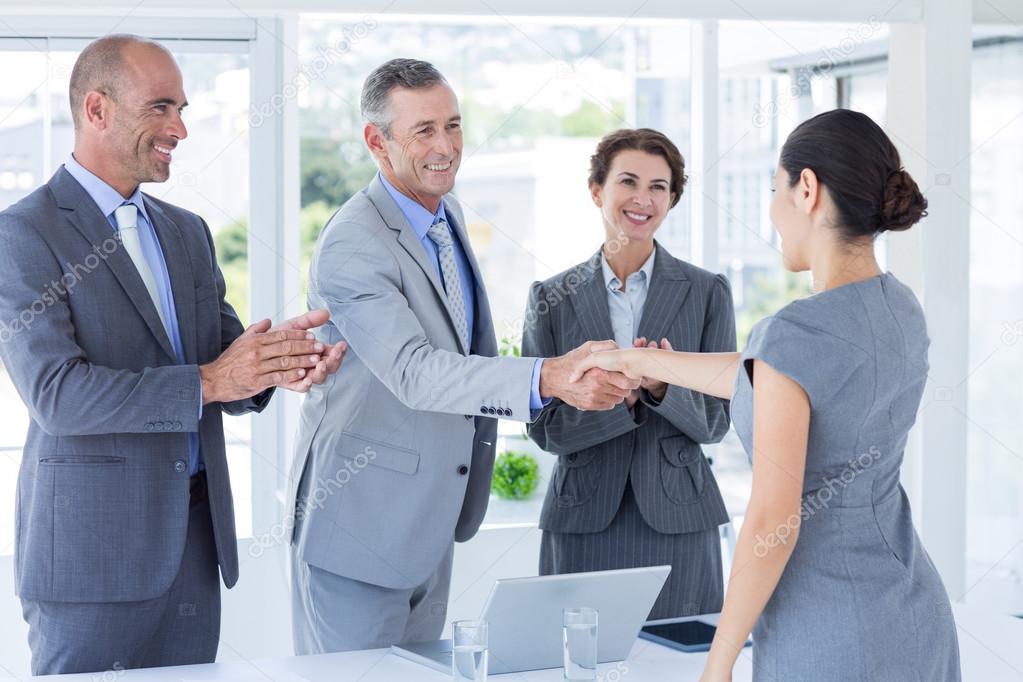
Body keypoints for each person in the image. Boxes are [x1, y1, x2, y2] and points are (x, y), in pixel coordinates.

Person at [572, 109, 961, 681]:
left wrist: (719, 660)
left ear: (807, 190)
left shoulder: (794, 334)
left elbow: (771, 522)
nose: (773, 210)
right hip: (912, 613)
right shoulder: (900, 308)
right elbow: (767, 376)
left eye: (774, 189)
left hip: (826, 629)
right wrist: (636, 359)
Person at [0, 34, 346, 676]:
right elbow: (58, 396)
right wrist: (213, 380)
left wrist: (277, 362)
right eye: (161, 107)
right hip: (90, 566)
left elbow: (223, 363)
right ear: (97, 110)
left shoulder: (186, 231)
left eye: (181, 108)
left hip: (193, 551)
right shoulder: (21, 233)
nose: (180, 128)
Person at [287, 58, 638, 654]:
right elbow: (415, 371)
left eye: (453, 125)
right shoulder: (353, 240)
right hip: (359, 530)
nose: (446, 146)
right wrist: (548, 376)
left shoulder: (443, 212)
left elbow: (461, 347)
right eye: (424, 130)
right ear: (377, 141)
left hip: (428, 526)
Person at [522, 128, 736, 619]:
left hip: (681, 521)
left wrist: (661, 388)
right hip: (583, 518)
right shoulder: (550, 299)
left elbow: (720, 421)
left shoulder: (707, 293)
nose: (643, 199)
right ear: (597, 190)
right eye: (628, 182)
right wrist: (619, 399)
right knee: (575, 661)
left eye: (659, 187)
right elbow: (543, 429)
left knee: (683, 665)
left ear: (672, 199)